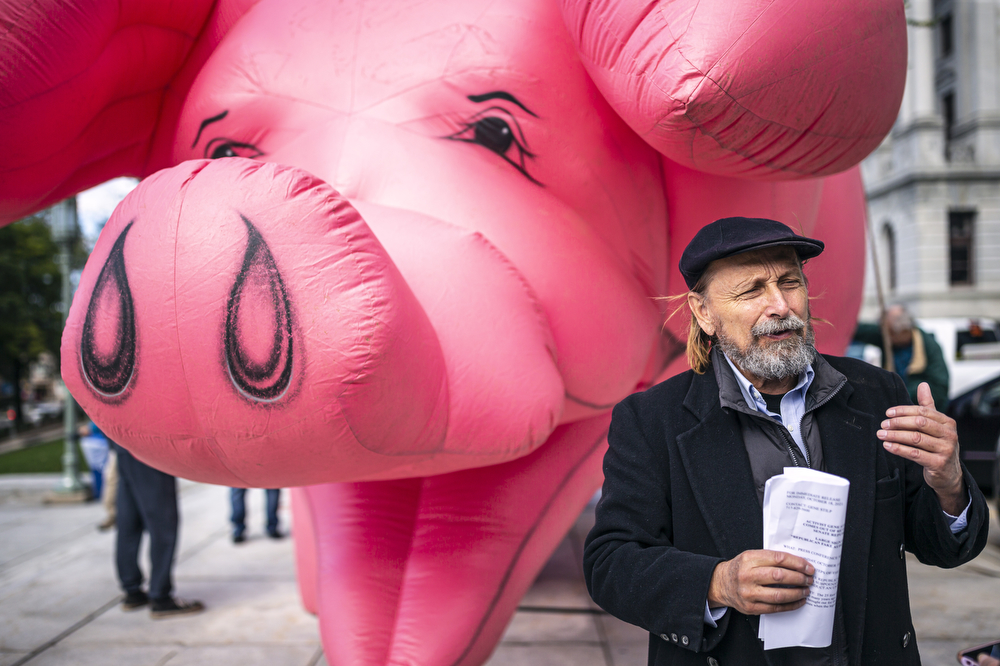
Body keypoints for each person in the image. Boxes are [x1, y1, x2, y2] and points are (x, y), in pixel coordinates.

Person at [584, 217, 988, 665]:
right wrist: (717, 582)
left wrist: (949, 483)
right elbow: (611, 562)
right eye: (752, 290)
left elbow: (940, 545)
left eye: (790, 282)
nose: (780, 305)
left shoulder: (877, 394)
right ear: (704, 312)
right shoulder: (652, 420)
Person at [115, 444, 205, 618]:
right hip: (148, 448)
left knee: (129, 524)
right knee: (163, 526)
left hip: (122, 445)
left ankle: (132, 591)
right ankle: (160, 597)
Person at [853, 304, 950, 411]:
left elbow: (940, 389)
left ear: (903, 331)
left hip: (919, 410)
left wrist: (901, 395)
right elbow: (859, 330)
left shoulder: (929, 347)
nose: (885, 336)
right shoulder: (888, 338)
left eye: (888, 333)